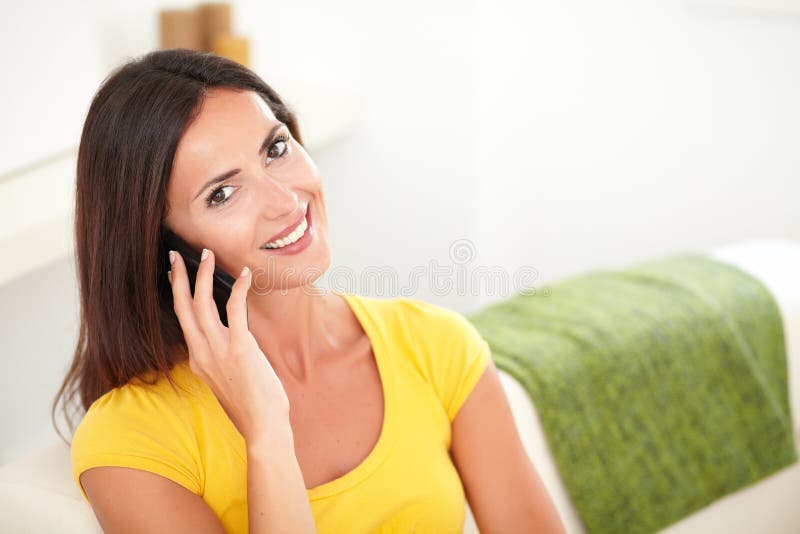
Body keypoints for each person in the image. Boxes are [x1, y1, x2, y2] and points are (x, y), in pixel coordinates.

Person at [52, 48, 566, 533]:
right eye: (223, 193)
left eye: (275, 149)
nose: (283, 200)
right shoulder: (130, 442)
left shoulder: (436, 344)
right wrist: (267, 431)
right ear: (164, 245)